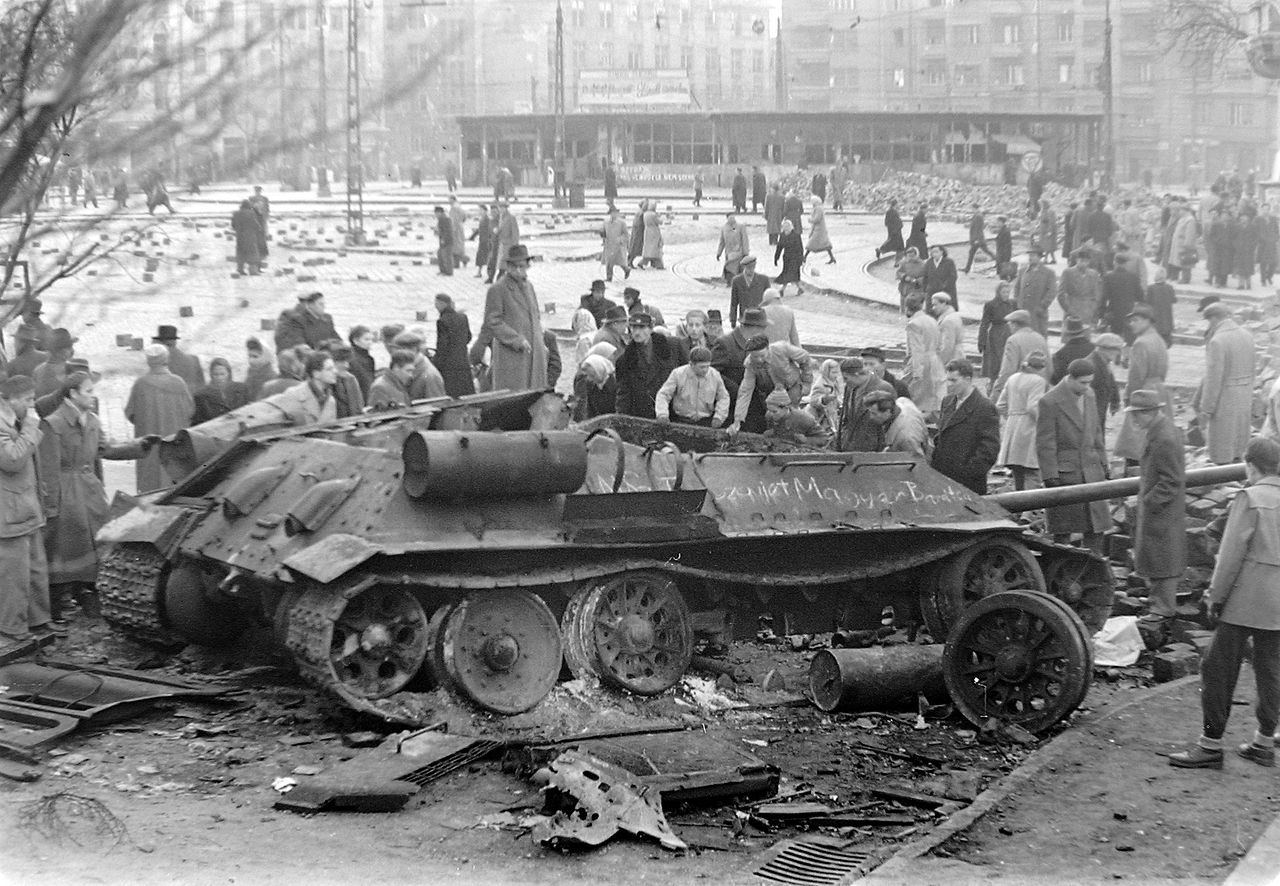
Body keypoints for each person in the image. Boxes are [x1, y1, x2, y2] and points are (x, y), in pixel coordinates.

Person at [1169, 437, 1280, 769]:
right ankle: (1263, 743)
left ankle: (1210, 745)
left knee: (1217, 668)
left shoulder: (1250, 498)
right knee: (1272, 671)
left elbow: (1231, 555)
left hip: (1245, 599)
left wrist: (1214, 597)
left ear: (1250, 465)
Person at [38, 372, 150, 623]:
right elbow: (48, 469)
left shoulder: (92, 420)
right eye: (88, 391)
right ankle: (58, 605)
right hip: (66, 493)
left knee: (95, 543)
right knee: (63, 548)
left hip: (89, 492)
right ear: (73, 393)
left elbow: (104, 449)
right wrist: (50, 507)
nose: (93, 395)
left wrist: (139, 446)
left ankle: (86, 595)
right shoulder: (53, 424)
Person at [1126, 389, 1187, 637]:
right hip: (1161, 509)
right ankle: (1158, 603)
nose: (1134, 419)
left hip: (1162, 510)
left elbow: (1172, 480)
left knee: (1163, 559)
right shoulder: (1161, 431)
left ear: (1148, 413)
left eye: (1136, 414)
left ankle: (1163, 609)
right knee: (1158, 557)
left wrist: (1149, 501)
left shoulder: (1164, 438)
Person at [1036, 358, 1110, 552]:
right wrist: (1050, 475)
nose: (1087, 387)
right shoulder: (1050, 401)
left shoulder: (1090, 395)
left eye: (1089, 382)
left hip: (1092, 471)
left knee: (1096, 527)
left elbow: (1096, 433)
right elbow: (1045, 443)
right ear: (1070, 378)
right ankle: (1063, 568)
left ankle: (1094, 566)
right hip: (1066, 476)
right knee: (1063, 530)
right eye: (1083, 383)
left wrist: (1104, 463)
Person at [0, 375, 54, 643]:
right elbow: (11, 460)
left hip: (26, 508)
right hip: (8, 514)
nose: (32, 405)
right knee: (15, 576)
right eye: (27, 400)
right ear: (9, 400)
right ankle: (14, 629)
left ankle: (39, 621)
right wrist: (31, 426)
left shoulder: (18, 421)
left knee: (35, 571)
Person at [125, 345, 194, 492]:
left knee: (149, 488)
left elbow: (130, 413)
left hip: (148, 447)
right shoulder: (179, 383)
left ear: (148, 361)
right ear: (166, 359)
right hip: (174, 445)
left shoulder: (140, 384)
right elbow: (190, 411)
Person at [481, 245, 547, 391]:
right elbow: (492, 322)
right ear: (508, 267)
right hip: (512, 356)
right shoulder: (498, 289)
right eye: (514, 266)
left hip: (534, 354)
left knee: (536, 393)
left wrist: (540, 341)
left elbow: (536, 316)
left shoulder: (529, 286)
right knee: (514, 396)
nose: (518, 270)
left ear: (527, 266)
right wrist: (516, 340)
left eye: (521, 266)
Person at [1198, 301, 1257, 465]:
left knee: (1222, 448)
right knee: (1240, 445)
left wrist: (1206, 409)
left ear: (1213, 319)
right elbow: (1253, 370)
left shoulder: (1218, 341)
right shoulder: (1247, 335)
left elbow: (1213, 380)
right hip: (1244, 396)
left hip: (1225, 399)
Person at [931, 359, 1001, 494]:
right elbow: (942, 435)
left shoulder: (985, 407)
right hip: (943, 478)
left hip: (968, 483)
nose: (949, 385)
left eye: (954, 380)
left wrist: (969, 472)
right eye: (947, 380)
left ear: (967, 380)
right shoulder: (947, 401)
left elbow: (989, 449)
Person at [1114, 304, 1173, 464]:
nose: (1132, 324)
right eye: (1131, 321)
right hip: (1159, 389)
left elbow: (1136, 375)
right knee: (1157, 433)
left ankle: (1135, 471)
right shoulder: (1158, 339)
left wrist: (1129, 396)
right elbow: (1164, 369)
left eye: (1136, 320)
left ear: (1148, 321)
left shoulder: (1140, 343)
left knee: (1136, 441)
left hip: (1143, 391)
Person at [727, 335, 813, 435]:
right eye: (755, 357)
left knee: (790, 419)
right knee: (772, 420)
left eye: (762, 356)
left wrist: (807, 383)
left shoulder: (782, 348)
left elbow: (805, 358)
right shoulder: (750, 364)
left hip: (792, 389)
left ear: (768, 348)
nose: (759, 360)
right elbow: (745, 392)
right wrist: (738, 420)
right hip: (771, 395)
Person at [996, 351, 1049, 491]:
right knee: (1032, 471)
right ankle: (1031, 504)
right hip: (1029, 429)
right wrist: (1044, 424)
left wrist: (1012, 417)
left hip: (1012, 428)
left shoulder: (1013, 378)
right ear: (1041, 368)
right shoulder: (1038, 381)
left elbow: (1000, 405)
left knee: (1017, 470)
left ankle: (1019, 501)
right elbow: (1032, 407)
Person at [712, 307, 769, 430]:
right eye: (763, 328)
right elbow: (712, 373)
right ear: (754, 328)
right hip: (732, 407)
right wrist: (735, 389)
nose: (765, 331)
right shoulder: (725, 343)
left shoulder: (759, 342)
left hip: (756, 405)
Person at [614, 313, 676, 419]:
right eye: (634, 327)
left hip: (669, 412)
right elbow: (623, 394)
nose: (637, 332)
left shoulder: (670, 349)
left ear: (651, 329)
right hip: (640, 415)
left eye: (642, 327)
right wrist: (621, 418)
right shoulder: (624, 361)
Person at [655, 346, 730, 427]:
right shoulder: (678, 374)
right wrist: (662, 414)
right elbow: (663, 394)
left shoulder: (715, 375)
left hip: (705, 422)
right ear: (691, 364)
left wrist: (719, 417)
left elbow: (723, 397)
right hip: (681, 420)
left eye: (707, 366)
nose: (705, 370)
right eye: (702, 367)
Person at [835, 357, 894, 452]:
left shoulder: (883, 388)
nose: (844, 382)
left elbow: (889, 423)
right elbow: (845, 418)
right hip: (849, 447)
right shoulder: (850, 387)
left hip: (872, 450)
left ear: (856, 374)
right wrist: (839, 444)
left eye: (846, 378)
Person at [904, 293, 946, 414]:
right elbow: (940, 345)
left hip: (922, 363)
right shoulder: (932, 320)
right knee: (934, 396)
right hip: (935, 360)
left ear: (907, 308)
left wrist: (916, 372)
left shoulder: (913, 324)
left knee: (917, 399)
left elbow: (916, 350)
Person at [433, 294, 475, 398]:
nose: (435, 307)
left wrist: (436, 363)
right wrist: (459, 345)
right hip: (463, 361)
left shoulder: (442, 321)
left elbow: (442, 345)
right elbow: (469, 337)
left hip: (449, 365)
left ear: (442, 304)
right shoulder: (463, 317)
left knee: (452, 393)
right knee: (466, 392)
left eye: (436, 304)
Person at [864, 390, 929, 457]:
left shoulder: (906, 438)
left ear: (887, 411)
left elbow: (917, 460)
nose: (871, 417)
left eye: (874, 413)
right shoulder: (903, 401)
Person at [978, 282, 1016, 390]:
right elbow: (984, 323)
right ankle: (991, 384)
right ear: (998, 292)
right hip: (995, 335)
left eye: (1008, 292)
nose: (1006, 295)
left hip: (1008, 333)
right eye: (1004, 292)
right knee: (994, 362)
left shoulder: (1012, 304)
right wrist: (981, 340)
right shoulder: (991, 305)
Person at [1057, 249, 1103, 333]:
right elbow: (1060, 294)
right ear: (1076, 260)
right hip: (1072, 309)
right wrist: (1069, 310)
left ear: (1089, 262)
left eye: (1086, 261)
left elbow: (1097, 295)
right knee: (1070, 335)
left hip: (1087, 311)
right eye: (1081, 261)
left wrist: (1092, 309)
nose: (1083, 263)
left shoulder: (1094, 274)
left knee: (1085, 336)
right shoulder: (1068, 272)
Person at [192, 357, 250, 423]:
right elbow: (198, 421)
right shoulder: (201, 395)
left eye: (222, 374)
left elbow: (248, 412)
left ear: (229, 373)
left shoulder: (242, 389)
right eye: (216, 374)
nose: (219, 378)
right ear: (211, 375)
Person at [1102, 253, 1144, 341]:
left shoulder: (1108, 277)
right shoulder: (1133, 277)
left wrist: (1102, 313)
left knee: (1114, 339)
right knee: (1128, 339)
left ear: (1115, 262)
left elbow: (1103, 297)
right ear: (1125, 264)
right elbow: (1140, 297)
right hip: (1129, 312)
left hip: (1114, 312)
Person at [571, 347, 617, 422]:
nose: (590, 379)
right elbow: (590, 410)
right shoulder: (590, 384)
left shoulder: (616, 385)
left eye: (593, 375)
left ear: (600, 371)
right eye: (588, 376)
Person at [153, 325, 204, 391]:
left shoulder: (159, 362)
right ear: (175, 341)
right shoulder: (194, 360)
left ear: (160, 342)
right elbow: (201, 387)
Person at [32, 328, 76, 399]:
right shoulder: (67, 372)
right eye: (70, 347)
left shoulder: (37, 370)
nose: (72, 350)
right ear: (62, 351)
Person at [728, 254, 769, 328]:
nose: (751, 270)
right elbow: (734, 302)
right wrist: (733, 320)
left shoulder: (763, 280)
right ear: (744, 267)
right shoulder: (737, 281)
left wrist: (768, 318)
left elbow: (768, 301)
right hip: (745, 319)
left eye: (753, 267)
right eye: (749, 267)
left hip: (759, 318)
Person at [807, 359, 844, 433]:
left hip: (832, 416)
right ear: (826, 372)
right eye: (833, 372)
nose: (836, 375)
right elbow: (813, 401)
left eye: (837, 372)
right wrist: (823, 400)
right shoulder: (820, 384)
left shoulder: (834, 382)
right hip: (822, 419)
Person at [1145, 266, 1177, 346]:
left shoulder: (1151, 288)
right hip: (1167, 318)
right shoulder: (1169, 287)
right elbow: (1174, 300)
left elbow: (1147, 301)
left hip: (1155, 317)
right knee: (1165, 341)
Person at [961, 204, 997, 273]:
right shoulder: (977, 215)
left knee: (978, 252)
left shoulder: (978, 216)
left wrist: (976, 239)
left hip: (978, 239)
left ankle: (967, 269)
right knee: (985, 251)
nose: (971, 210)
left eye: (972, 208)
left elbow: (978, 228)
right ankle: (967, 268)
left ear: (975, 208)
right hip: (978, 238)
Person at [932, 293, 965, 366]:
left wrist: (939, 363)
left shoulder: (948, 321)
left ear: (944, 303)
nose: (933, 308)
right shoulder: (953, 316)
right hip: (956, 357)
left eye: (935, 305)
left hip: (951, 359)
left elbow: (947, 346)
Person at [231, 199, 263, 276]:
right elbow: (255, 224)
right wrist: (259, 229)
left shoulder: (236, 213)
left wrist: (238, 230)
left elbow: (233, 225)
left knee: (240, 252)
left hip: (240, 237)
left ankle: (240, 269)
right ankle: (252, 270)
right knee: (252, 253)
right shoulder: (251, 213)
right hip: (250, 236)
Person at [717, 211, 750, 285]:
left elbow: (745, 240)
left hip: (738, 253)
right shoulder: (724, 228)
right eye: (730, 217)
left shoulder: (740, 227)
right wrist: (719, 253)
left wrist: (746, 252)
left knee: (736, 270)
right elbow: (722, 242)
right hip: (731, 253)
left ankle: (736, 284)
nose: (731, 219)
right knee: (731, 269)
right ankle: (731, 283)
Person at [774, 218, 804, 298]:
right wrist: (776, 258)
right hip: (787, 258)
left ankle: (782, 290)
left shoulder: (796, 236)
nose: (786, 229)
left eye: (787, 227)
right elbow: (779, 247)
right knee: (789, 274)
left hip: (795, 258)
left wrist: (801, 259)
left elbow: (800, 248)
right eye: (785, 227)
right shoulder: (782, 235)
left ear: (791, 227)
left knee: (790, 275)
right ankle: (800, 288)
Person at [601, 204, 630, 282]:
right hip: (609, 244)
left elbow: (626, 234)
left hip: (618, 245)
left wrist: (620, 240)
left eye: (615, 212)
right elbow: (603, 231)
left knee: (620, 261)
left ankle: (626, 269)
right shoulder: (606, 222)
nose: (613, 214)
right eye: (612, 213)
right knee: (609, 262)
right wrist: (603, 237)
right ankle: (609, 277)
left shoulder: (622, 223)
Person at [347, 326, 377, 399]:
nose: (370, 342)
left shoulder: (366, 357)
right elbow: (365, 381)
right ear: (355, 341)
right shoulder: (354, 358)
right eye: (366, 339)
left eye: (372, 340)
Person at [493, 201, 520, 281]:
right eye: (500, 208)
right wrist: (497, 230)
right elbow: (501, 229)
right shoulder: (501, 218)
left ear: (506, 208)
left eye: (502, 208)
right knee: (503, 263)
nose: (501, 209)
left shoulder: (511, 218)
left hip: (509, 244)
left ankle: (501, 278)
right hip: (502, 243)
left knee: (505, 263)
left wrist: (515, 245)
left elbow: (515, 232)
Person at [805, 196, 835, 265]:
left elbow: (817, 219)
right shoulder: (817, 208)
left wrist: (810, 220)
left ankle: (804, 257)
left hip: (819, 230)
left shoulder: (818, 209)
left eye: (812, 201)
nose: (811, 203)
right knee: (825, 244)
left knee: (811, 243)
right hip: (819, 229)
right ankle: (832, 258)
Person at [896, 246, 926, 311]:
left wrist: (917, 280)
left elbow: (926, 276)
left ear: (917, 255)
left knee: (915, 305)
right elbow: (898, 272)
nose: (911, 258)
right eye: (909, 256)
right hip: (905, 287)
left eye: (913, 256)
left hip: (917, 288)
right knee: (904, 304)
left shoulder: (922, 264)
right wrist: (904, 277)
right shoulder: (903, 263)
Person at [471, 203, 495, 280]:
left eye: (481, 210)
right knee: (480, 257)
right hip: (482, 241)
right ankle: (479, 272)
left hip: (486, 241)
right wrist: (473, 236)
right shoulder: (482, 219)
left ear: (485, 211)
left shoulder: (487, 219)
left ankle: (489, 273)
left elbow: (489, 230)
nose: (479, 211)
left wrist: (489, 240)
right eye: (479, 210)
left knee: (488, 258)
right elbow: (479, 230)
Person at [1257, 202, 1279, 286]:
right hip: (1262, 244)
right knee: (1263, 262)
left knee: (1274, 262)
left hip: (1272, 243)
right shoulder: (1258, 219)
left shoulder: (1273, 218)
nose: (1265, 211)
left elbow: (1276, 230)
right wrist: (1260, 239)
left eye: (1267, 209)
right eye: (1264, 209)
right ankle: (1263, 280)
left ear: (1269, 210)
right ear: (1261, 210)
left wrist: (1276, 238)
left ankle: (1269, 276)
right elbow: (1255, 230)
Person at [639, 201, 664, 270]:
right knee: (655, 248)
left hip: (647, 231)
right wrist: (660, 217)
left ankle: (658, 264)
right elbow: (659, 222)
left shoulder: (645, 214)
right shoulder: (653, 215)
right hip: (654, 232)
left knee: (649, 249)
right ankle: (658, 265)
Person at [248, 186, 270, 259]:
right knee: (255, 234)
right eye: (256, 191)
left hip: (262, 218)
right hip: (255, 218)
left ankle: (262, 251)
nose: (257, 192)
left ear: (260, 191)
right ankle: (257, 251)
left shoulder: (264, 198)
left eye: (258, 191)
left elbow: (267, 209)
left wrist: (266, 217)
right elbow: (250, 208)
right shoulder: (251, 198)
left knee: (261, 235)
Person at [433, 205, 454, 276]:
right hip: (443, 240)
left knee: (447, 256)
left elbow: (448, 231)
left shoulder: (444, 218)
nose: (435, 215)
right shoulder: (442, 218)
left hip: (447, 240)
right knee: (440, 255)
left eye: (436, 213)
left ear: (439, 212)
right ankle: (443, 271)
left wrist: (443, 239)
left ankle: (449, 272)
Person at [1036, 199, 1059, 263]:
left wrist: (1050, 231)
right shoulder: (1042, 211)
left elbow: (1052, 222)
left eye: (1041, 204)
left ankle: (1046, 259)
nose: (1040, 205)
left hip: (1048, 231)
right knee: (1048, 246)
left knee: (1048, 245)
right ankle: (1053, 259)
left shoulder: (1050, 212)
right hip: (1043, 230)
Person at [448, 195, 468, 269]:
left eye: (449, 199)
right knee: (460, 246)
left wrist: (452, 229)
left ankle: (459, 262)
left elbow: (453, 220)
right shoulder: (460, 207)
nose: (448, 201)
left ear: (453, 199)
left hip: (455, 229)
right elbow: (465, 217)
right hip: (460, 227)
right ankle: (463, 260)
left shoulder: (454, 208)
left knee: (455, 246)